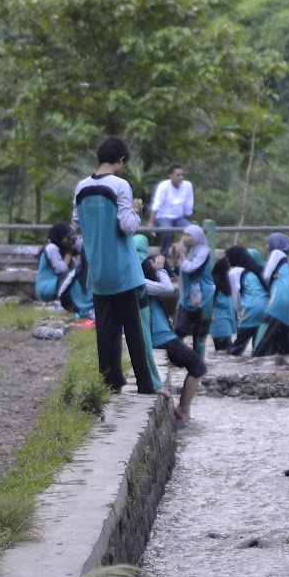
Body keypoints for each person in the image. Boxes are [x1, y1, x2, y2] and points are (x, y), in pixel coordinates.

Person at [73, 136, 157, 395]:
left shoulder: (81, 187)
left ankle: (110, 384)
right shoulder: (120, 185)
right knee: (134, 330)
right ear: (120, 160)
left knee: (106, 332)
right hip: (123, 271)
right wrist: (135, 210)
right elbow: (128, 226)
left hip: (98, 272)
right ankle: (145, 385)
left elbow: (77, 223)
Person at [141, 243, 204, 421]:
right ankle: (183, 410)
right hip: (161, 338)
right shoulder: (145, 285)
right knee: (198, 366)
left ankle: (183, 409)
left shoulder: (145, 287)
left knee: (196, 365)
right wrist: (160, 270)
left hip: (163, 337)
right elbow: (168, 288)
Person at [172, 225, 215, 362]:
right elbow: (178, 271)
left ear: (197, 237)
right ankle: (181, 360)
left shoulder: (204, 252)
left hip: (204, 298)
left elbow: (191, 269)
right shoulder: (188, 251)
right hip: (186, 297)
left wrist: (182, 256)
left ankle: (199, 365)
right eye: (184, 234)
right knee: (178, 330)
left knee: (200, 335)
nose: (185, 238)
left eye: (188, 235)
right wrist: (176, 256)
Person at [253, 232, 289, 357]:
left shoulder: (276, 253)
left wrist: (264, 288)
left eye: (268, 243)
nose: (266, 247)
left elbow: (266, 275)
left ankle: (253, 367)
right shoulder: (285, 261)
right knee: (284, 344)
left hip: (277, 298)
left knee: (261, 343)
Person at [226, 246, 270, 356]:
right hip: (265, 306)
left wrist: (239, 312)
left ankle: (226, 367)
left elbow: (236, 295)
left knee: (239, 344)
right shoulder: (252, 270)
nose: (226, 260)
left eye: (227, 257)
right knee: (258, 346)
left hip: (251, 307)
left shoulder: (234, 272)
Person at [149, 165, 193, 252]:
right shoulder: (163, 186)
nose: (181, 177)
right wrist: (151, 222)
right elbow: (156, 205)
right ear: (170, 176)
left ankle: (184, 254)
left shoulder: (188, 185)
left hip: (179, 217)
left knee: (193, 231)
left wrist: (189, 220)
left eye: (182, 175)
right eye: (178, 175)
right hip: (163, 217)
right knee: (167, 232)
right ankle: (163, 256)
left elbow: (189, 205)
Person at [208, 252, 237, 353]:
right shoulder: (215, 282)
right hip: (218, 319)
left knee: (226, 350)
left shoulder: (228, 283)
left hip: (228, 317)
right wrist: (210, 313)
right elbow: (209, 299)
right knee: (224, 348)